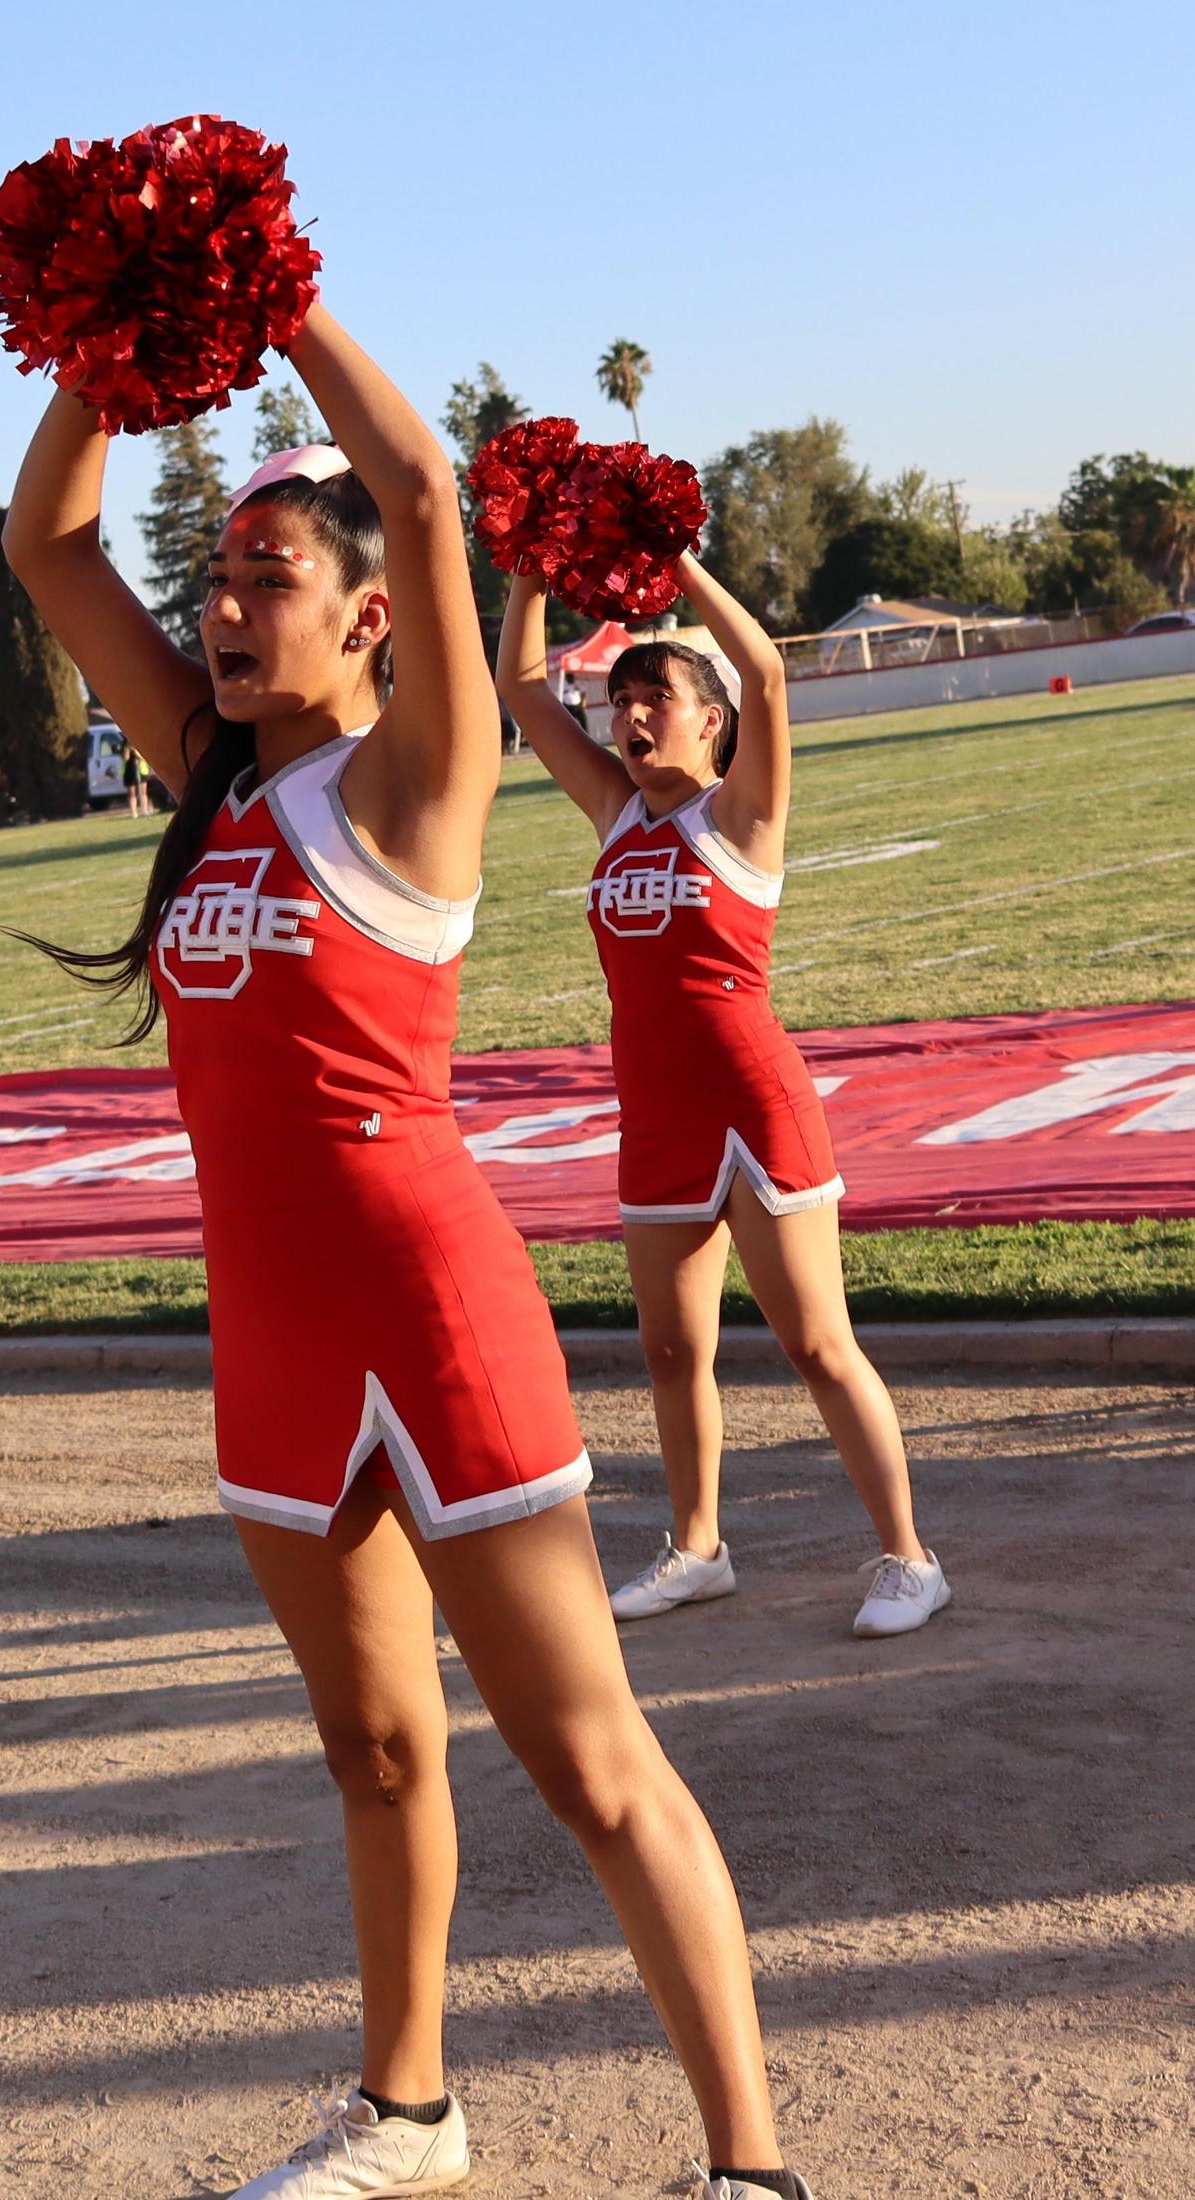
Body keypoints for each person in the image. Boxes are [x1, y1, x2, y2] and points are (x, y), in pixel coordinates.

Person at [3, 303, 815, 2200]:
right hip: (271, 1335)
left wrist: (269, 302)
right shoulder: (208, 769)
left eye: (267, 575)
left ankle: (752, 2171)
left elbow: (428, 495)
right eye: (216, 576)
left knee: (593, 1767)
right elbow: (45, 541)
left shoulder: (413, 777)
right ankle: (408, 2112)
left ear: (368, 616)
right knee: (375, 1753)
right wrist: (110, 351)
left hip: (438, 1318)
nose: (223, 604)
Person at [497, 557, 949, 1641]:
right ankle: (697, 1547)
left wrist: (675, 560)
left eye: (657, 699)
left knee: (816, 1344)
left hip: (756, 1109)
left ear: (711, 723)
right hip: (654, 1118)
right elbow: (518, 688)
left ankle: (909, 1558)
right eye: (619, 701)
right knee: (669, 1353)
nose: (630, 716)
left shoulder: (741, 815)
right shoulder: (613, 811)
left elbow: (765, 672)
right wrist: (527, 568)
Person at [120, 732, 148, 816]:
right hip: (130, 771)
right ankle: (134, 812)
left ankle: (145, 810)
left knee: (143, 792)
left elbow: (143, 758)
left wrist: (135, 751)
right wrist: (127, 749)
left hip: (141, 770)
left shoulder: (140, 743)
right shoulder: (125, 745)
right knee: (132, 793)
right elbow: (126, 758)